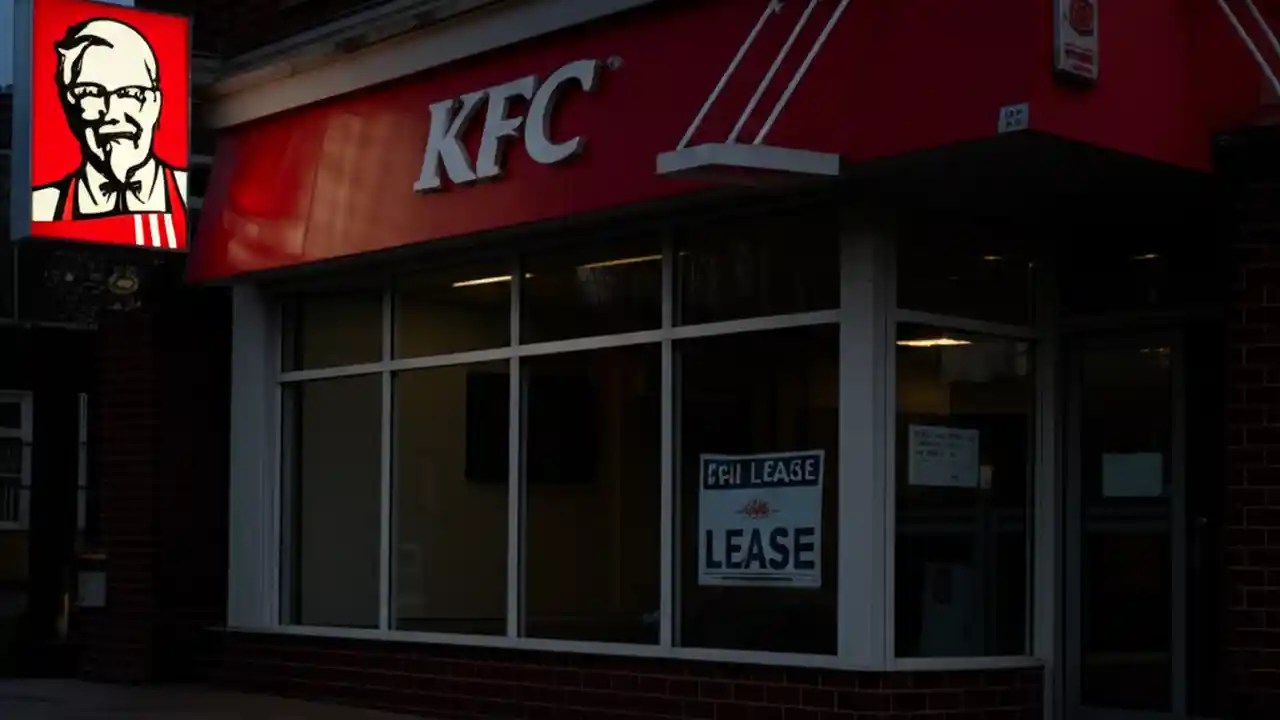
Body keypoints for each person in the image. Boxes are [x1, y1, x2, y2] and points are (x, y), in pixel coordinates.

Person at [31, 18, 187, 247]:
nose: (113, 113)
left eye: (130, 93)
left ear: (155, 103)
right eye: (91, 92)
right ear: (70, 105)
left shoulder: (189, 196)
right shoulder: (43, 207)